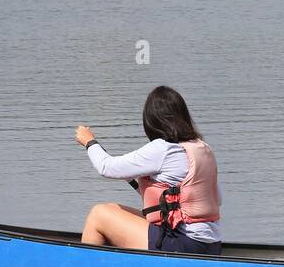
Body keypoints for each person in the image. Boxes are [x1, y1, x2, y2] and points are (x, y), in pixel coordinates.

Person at [74, 86, 222, 254]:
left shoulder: (163, 149)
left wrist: (89, 142)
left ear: (151, 121)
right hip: (211, 245)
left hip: (183, 244)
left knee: (99, 214)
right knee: (112, 208)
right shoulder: (202, 148)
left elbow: (106, 167)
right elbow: (215, 200)